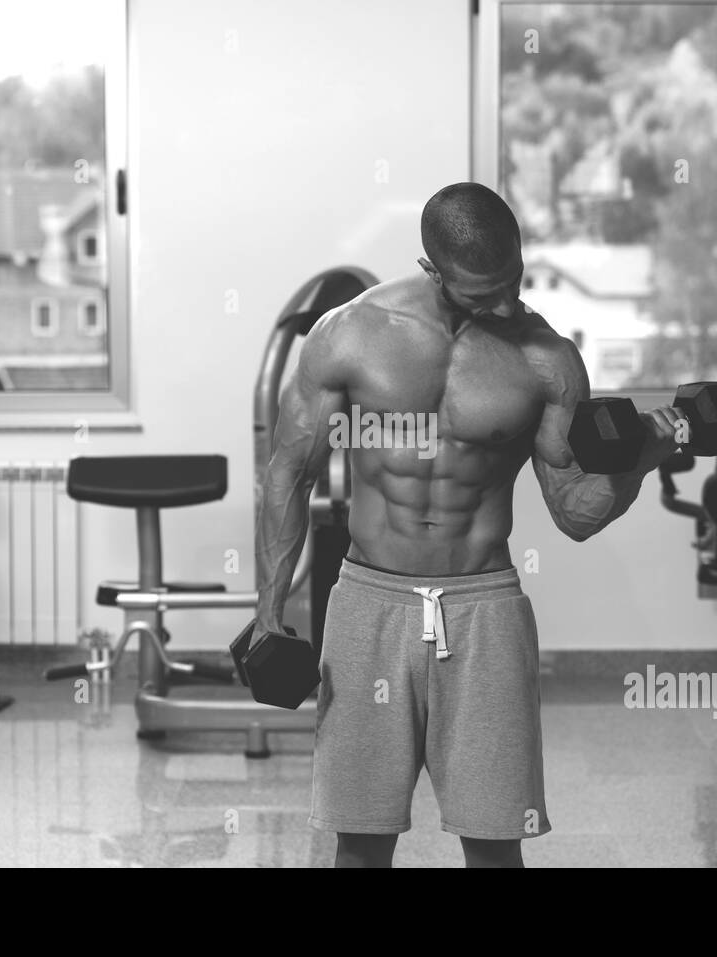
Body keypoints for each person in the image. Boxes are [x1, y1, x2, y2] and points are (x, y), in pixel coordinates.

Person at [255, 182, 681, 867]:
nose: (508, 305)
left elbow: (573, 511)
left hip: (483, 610)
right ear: (433, 270)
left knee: (494, 840)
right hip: (370, 604)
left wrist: (642, 460)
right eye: (484, 294)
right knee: (359, 840)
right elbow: (288, 473)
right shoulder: (351, 335)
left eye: (514, 282)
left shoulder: (545, 359)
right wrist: (268, 608)